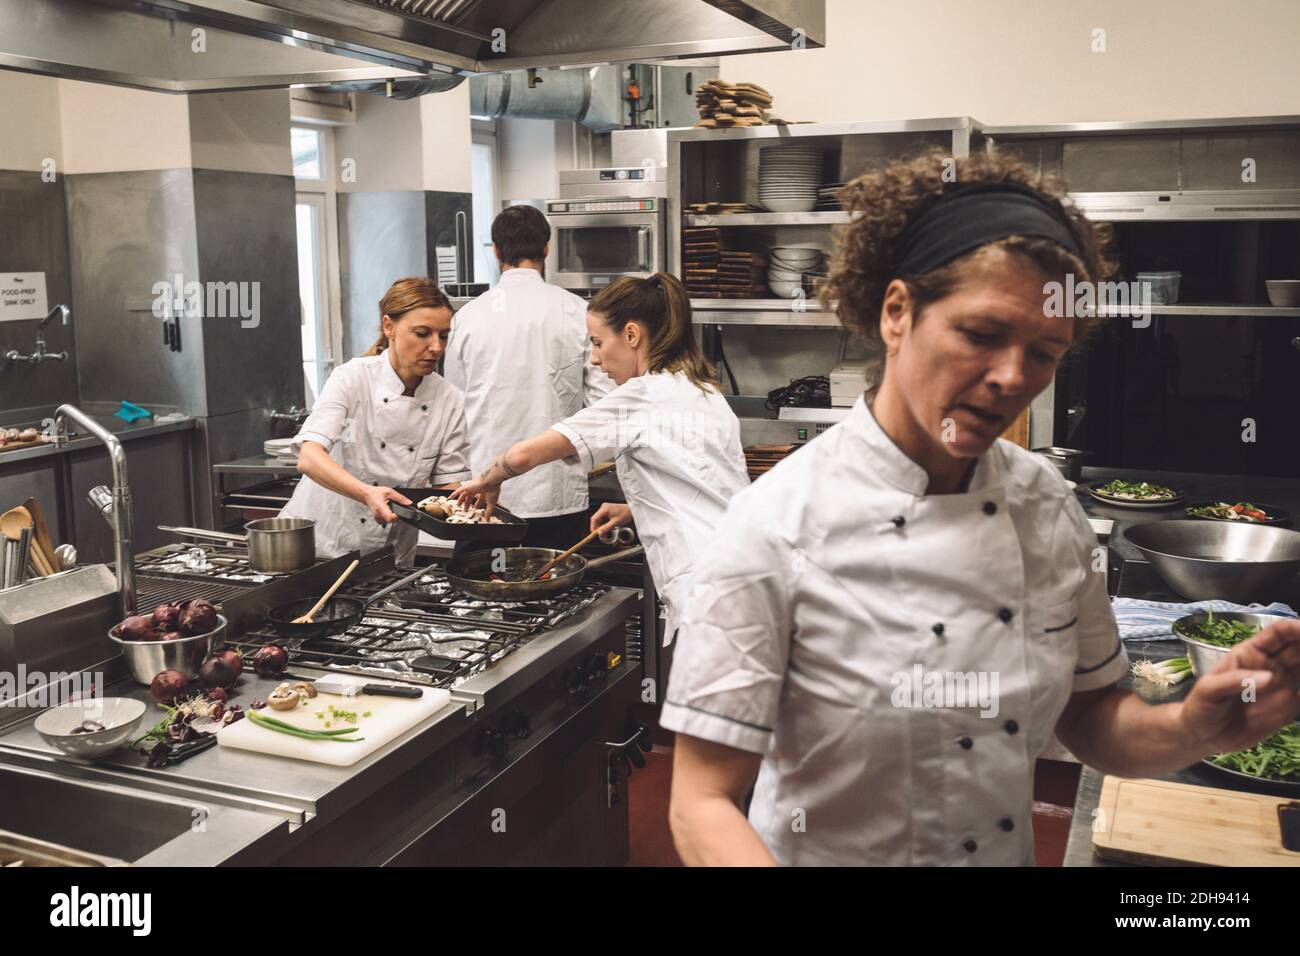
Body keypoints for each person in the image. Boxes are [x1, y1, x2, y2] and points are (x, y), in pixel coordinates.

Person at [662, 150, 1300, 866]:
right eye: (983, 334)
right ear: (897, 312)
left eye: (1044, 352)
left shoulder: (1049, 509)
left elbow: (1091, 718)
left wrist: (1196, 726)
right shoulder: (774, 526)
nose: (1011, 378)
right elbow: (701, 801)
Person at [452, 273, 749, 644]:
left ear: (631, 335)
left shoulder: (642, 396)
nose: (594, 359)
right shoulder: (701, 390)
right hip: (744, 573)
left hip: (707, 593)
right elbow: (702, 480)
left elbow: (526, 454)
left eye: (597, 343)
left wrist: (491, 478)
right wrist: (633, 509)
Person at [443, 204, 613, 549]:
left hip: (484, 496)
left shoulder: (469, 316)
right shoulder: (576, 311)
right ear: (546, 249)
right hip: (557, 492)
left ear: (496, 251)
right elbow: (603, 405)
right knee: (558, 596)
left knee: (482, 596)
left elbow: (455, 405)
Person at [280, 277, 471, 566]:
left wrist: (475, 507)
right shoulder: (352, 378)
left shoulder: (449, 398)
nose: (436, 347)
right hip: (322, 546)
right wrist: (367, 493)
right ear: (388, 327)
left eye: (443, 335)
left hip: (391, 555)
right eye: (422, 333)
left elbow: (444, 488)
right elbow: (309, 457)